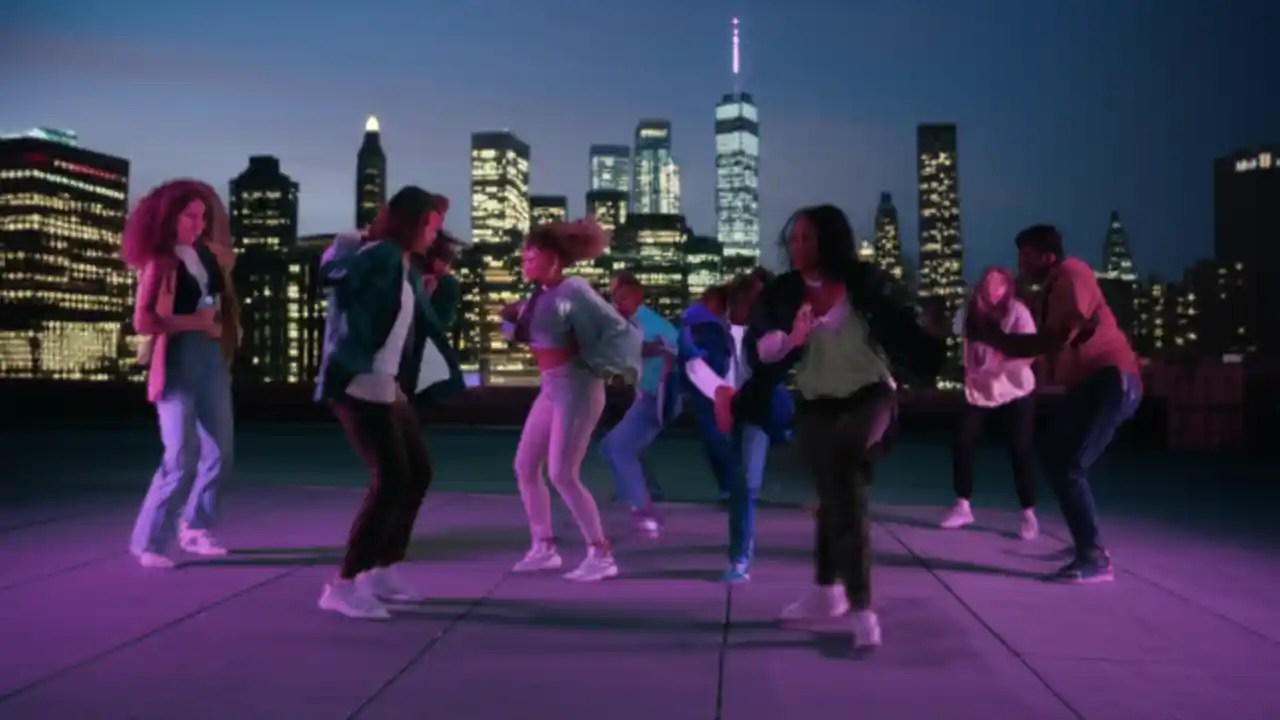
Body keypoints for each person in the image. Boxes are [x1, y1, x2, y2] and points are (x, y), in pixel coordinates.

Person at [741, 205, 945, 649]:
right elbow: (762, 350)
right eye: (793, 238)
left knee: (846, 489)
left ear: (829, 241)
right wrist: (792, 338)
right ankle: (826, 591)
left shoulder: (864, 282)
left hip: (871, 396)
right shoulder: (784, 292)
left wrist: (931, 336)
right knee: (834, 494)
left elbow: (903, 327)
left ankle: (860, 606)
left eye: (808, 238)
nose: (797, 246)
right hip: (817, 402)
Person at [313, 186, 463, 620]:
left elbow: (432, 324)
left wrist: (442, 286)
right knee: (393, 479)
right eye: (430, 226)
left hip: (386, 382)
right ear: (411, 223)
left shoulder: (402, 265)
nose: (434, 235)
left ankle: (381, 570)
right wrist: (351, 241)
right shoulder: (378, 254)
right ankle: (343, 584)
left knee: (416, 473)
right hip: (357, 379)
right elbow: (333, 276)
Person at [967, 224, 1141, 584]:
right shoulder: (1052, 289)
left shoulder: (1072, 274)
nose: (1021, 263)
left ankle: (1094, 556)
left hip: (1111, 380)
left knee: (1068, 464)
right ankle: (1086, 542)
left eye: (1027, 256)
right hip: (1090, 384)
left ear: (1048, 257)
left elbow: (1054, 338)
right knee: (1053, 454)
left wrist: (996, 337)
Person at [503, 219, 642, 582]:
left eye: (532, 256)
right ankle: (543, 546)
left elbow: (618, 329)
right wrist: (511, 316)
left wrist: (603, 362)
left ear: (553, 258)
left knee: (562, 473)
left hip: (578, 387)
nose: (525, 262)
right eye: (524, 256)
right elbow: (527, 334)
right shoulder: (541, 294)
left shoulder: (573, 290)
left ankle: (601, 553)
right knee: (525, 466)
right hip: (552, 387)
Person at [124, 179, 241, 569]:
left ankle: (196, 526)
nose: (198, 224)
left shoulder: (205, 256)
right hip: (175, 361)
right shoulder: (160, 263)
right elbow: (143, 320)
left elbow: (220, 299)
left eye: (202, 217)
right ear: (168, 217)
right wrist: (195, 322)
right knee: (179, 456)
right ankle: (149, 542)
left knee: (221, 452)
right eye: (190, 216)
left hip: (210, 360)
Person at [682, 271, 789, 583]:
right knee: (736, 481)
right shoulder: (708, 327)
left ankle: (740, 557)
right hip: (721, 412)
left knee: (746, 484)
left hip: (755, 411)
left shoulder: (769, 332)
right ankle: (740, 553)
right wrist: (719, 393)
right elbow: (693, 364)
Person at [941, 266, 1040, 540]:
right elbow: (956, 339)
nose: (994, 290)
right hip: (978, 391)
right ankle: (962, 505)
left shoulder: (1017, 312)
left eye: (1000, 285)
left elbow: (1030, 352)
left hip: (1016, 390)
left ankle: (1028, 513)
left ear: (1007, 288)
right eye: (989, 284)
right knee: (962, 442)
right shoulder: (970, 312)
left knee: (1020, 449)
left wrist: (1001, 368)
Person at [598, 271, 681, 537]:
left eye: (623, 297)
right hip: (647, 397)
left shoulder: (651, 325)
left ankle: (643, 511)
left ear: (637, 297)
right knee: (610, 447)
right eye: (615, 297)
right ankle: (637, 497)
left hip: (656, 399)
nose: (617, 303)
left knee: (620, 449)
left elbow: (670, 352)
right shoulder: (631, 323)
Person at [679, 286, 734, 503]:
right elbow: (715, 362)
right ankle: (731, 486)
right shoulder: (710, 327)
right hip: (713, 389)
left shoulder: (690, 322)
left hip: (700, 388)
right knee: (718, 436)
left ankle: (727, 487)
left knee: (713, 436)